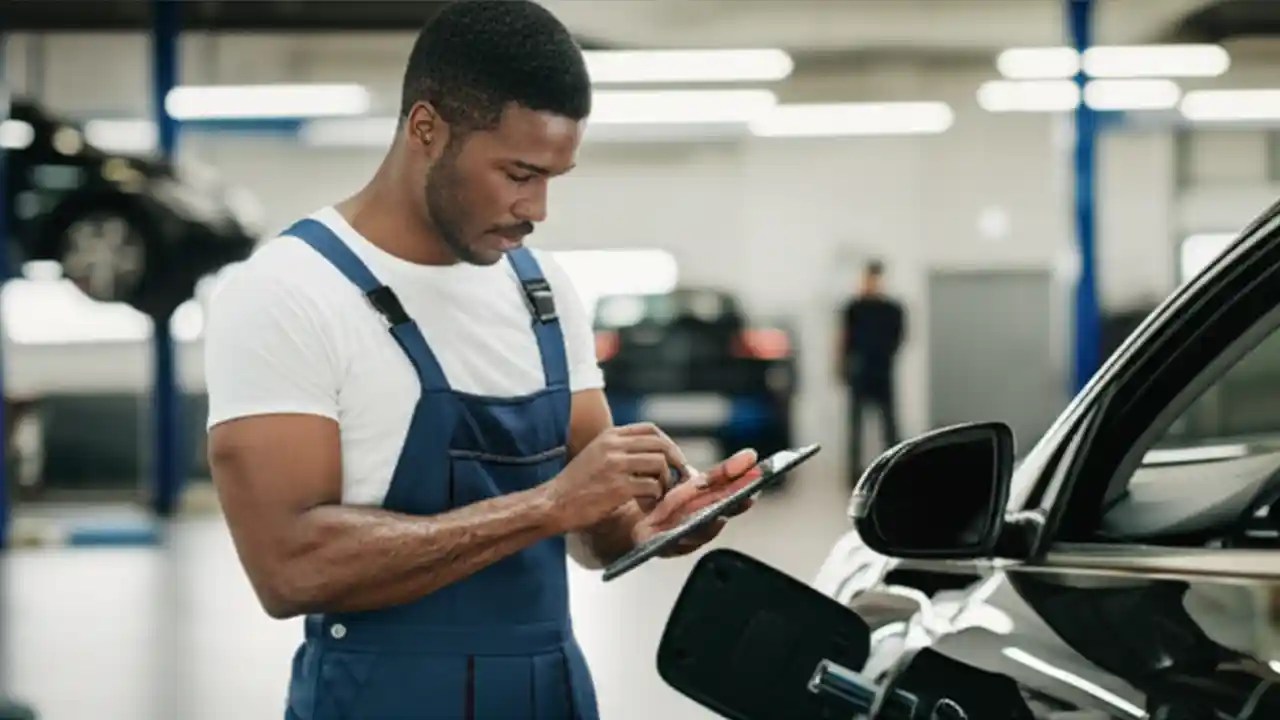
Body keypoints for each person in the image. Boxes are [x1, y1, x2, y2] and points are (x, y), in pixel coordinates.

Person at [202, 3, 763, 718]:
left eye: (554, 176)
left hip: (550, 691)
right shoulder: (288, 291)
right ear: (426, 129)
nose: (538, 208)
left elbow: (593, 531)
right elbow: (290, 567)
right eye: (519, 173)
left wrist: (650, 527)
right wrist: (547, 505)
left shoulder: (543, 293)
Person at [837, 260, 905, 480]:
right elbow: (843, 340)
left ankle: (895, 467)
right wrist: (841, 367)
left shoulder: (892, 309)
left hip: (882, 372)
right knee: (856, 428)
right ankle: (853, 473)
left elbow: (899, 338)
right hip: (860, 372)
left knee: (890, 426)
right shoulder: (854, 308)